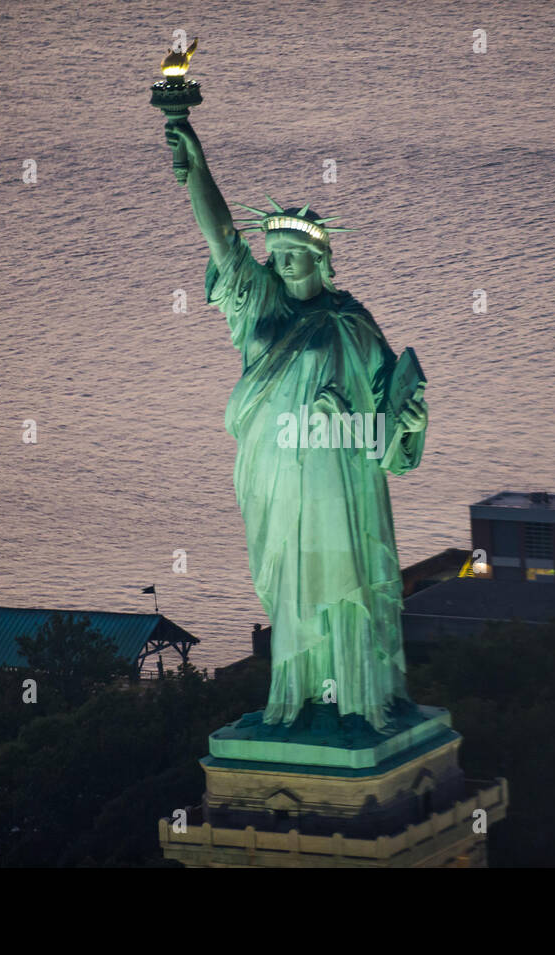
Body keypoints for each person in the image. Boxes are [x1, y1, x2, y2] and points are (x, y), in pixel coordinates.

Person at [165, 121, 428, 732]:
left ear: (320, 258)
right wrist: (197, 167)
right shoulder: (259, 304)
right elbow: (223, 241)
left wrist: (407, 421)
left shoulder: (352, 321)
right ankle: (300, 695)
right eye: (276, 255)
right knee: (290, 578)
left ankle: (361, 699)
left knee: (344, 576)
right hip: (276, 470)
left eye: (294, 255)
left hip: (339, 474)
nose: (281, 263)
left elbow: (391, 408)